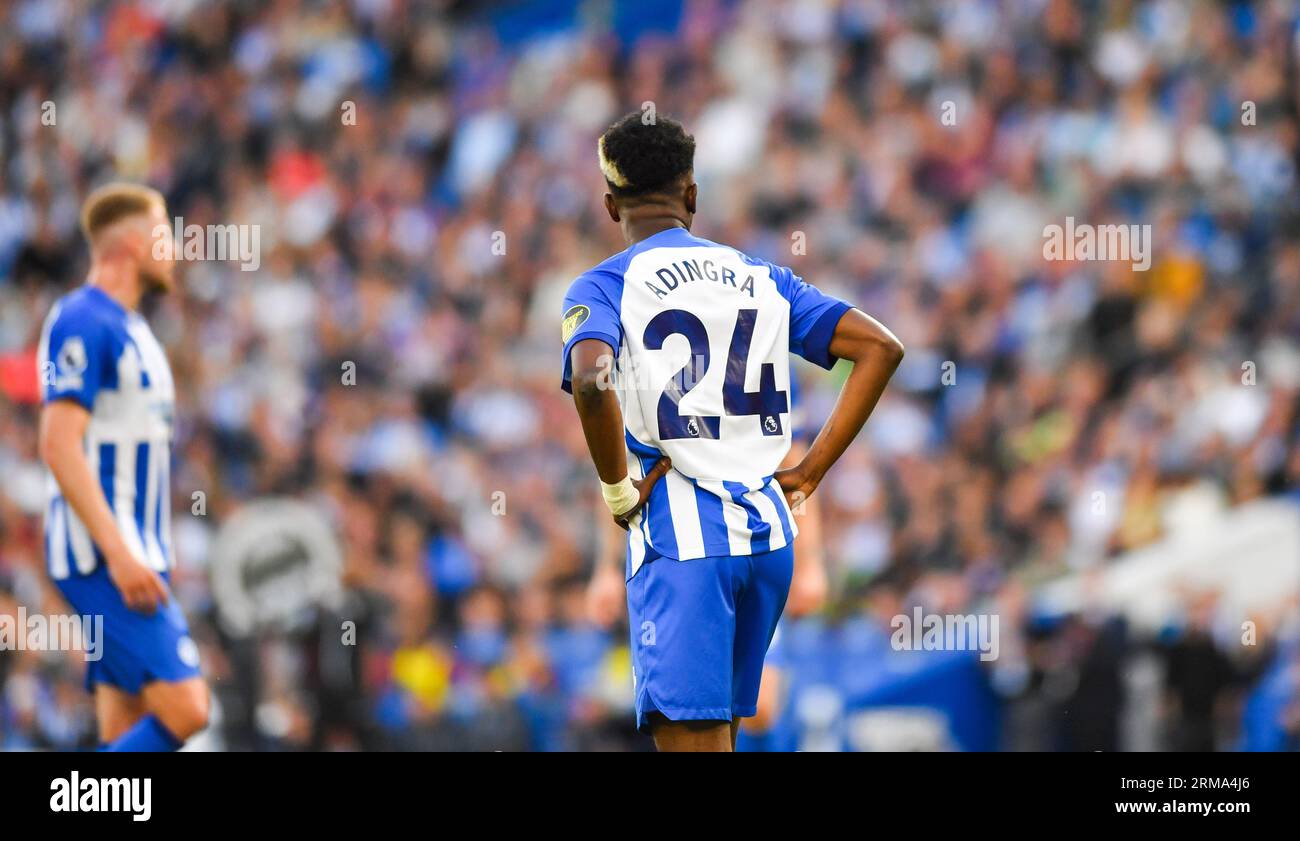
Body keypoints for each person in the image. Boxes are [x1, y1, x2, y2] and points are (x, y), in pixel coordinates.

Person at [561, 112, 903, 751]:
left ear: (610, 206)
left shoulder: (604, 284)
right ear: (691, 195)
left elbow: (589, 379)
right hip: (768, 539)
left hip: (684, 544)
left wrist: (615, 491)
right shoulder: (764, 277)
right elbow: (881, 348)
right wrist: (810, 473)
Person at [37, 182, 209, 751]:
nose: (175, 250)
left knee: (123, 733)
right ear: (133, 243)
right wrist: (119, 553)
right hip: (103, 558)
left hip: (137, 554)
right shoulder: (83, 319)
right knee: (187, 708)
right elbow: (59, 444)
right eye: (164, 235)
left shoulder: (137, 331)